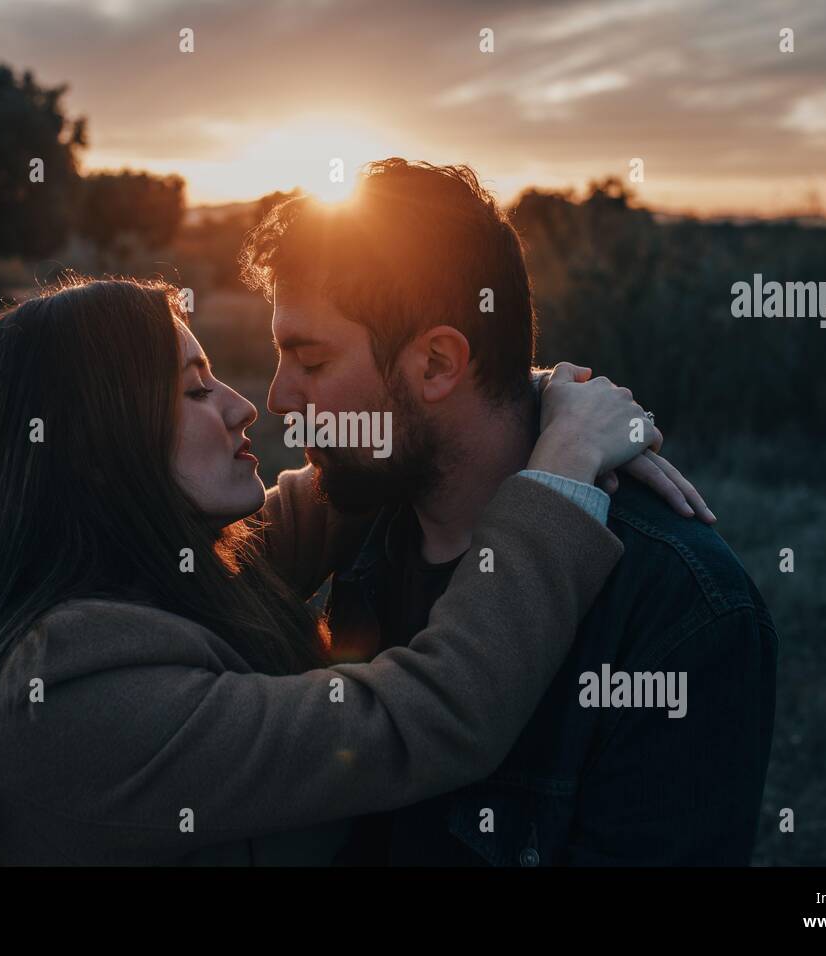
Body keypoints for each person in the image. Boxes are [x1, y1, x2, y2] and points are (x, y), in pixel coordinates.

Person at [0, 275, 682, 865]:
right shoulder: (73, 701)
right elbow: (430, 715)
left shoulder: (144, 580)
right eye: (195, 389)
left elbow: (325, 499)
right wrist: (564, 470)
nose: (245, 406)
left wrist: (509, 397)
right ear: (97, 449)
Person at [239, 158, 778, 865]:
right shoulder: (362, 517)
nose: (277, 397)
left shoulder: (680, 607)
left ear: (436, 365)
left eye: (308, 360)